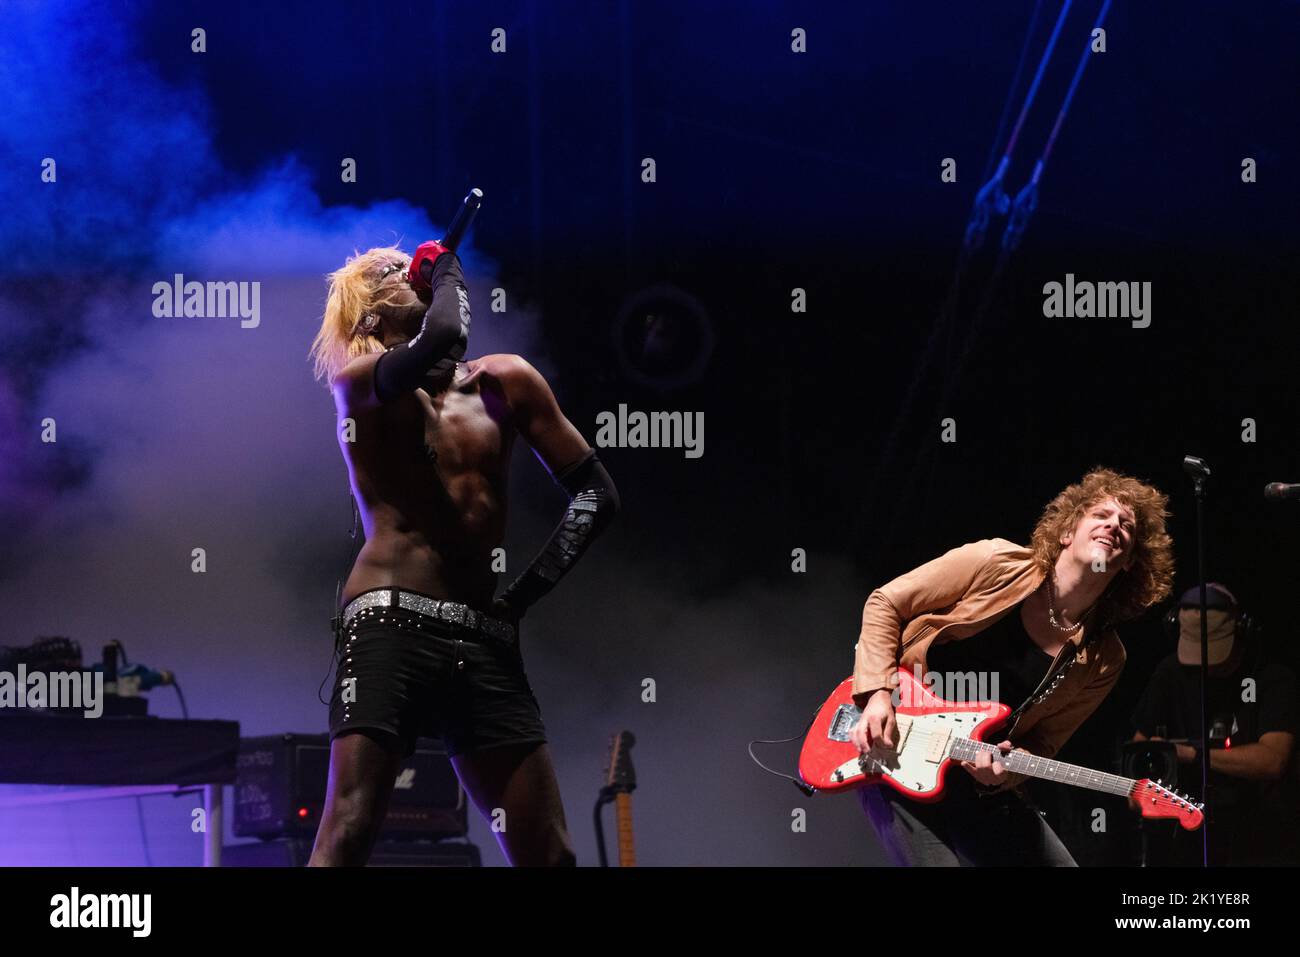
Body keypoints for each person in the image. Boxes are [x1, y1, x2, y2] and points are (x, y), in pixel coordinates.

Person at [305, 242, 619, 866]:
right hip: (389, 621)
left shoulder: (504, 381)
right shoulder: (362, 386)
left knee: (549, 854)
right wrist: (445, 266)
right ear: (369, 315)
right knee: (349, 827)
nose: (411, 273)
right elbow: (445, 328)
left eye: (412, 266)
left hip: (482, 640)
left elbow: (597, 495)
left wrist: (521, 597)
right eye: (394, 272)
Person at [850, 467, 1173, 866]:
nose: (1114, 525)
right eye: (1102, 514)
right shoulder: (993, 562)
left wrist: (1006, 773)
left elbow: (1044, 744)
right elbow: (886, 602)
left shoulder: (1106, 658)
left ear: (1128, 563)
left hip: (977, 786)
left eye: (1127, 526)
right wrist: (878, 694)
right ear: (1066, 532)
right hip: (896, 750)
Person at [1131, 584, 1298, 865]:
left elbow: (1273, 761)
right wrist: (1142, 782)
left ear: (1242, 632)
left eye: (1214, 655)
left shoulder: (1273, 679)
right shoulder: (1170, 672)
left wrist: (1192, 755)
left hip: (1262, 834)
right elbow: (1138, 748)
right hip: (1187, 833)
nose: (1205, 667)